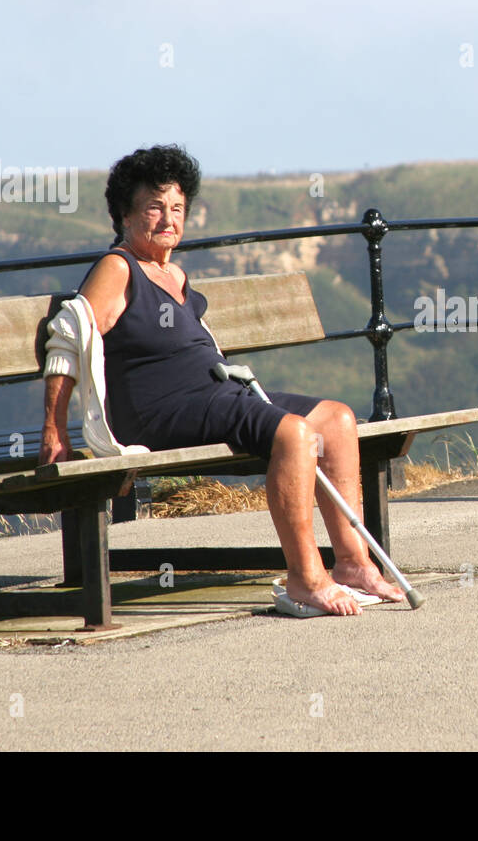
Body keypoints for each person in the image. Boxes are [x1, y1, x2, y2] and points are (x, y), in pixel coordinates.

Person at [38, 144, 403, 616]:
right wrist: (55, 430)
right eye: (154, 207)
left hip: (212, 396)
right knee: (294, 434)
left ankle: (353, 565)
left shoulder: (173, 273)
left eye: (177, 208)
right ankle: (305, 579)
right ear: (124, 215)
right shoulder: (118, 267)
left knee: (337, 419)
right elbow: (68, 336)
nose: (168, 219)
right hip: (158, 413)